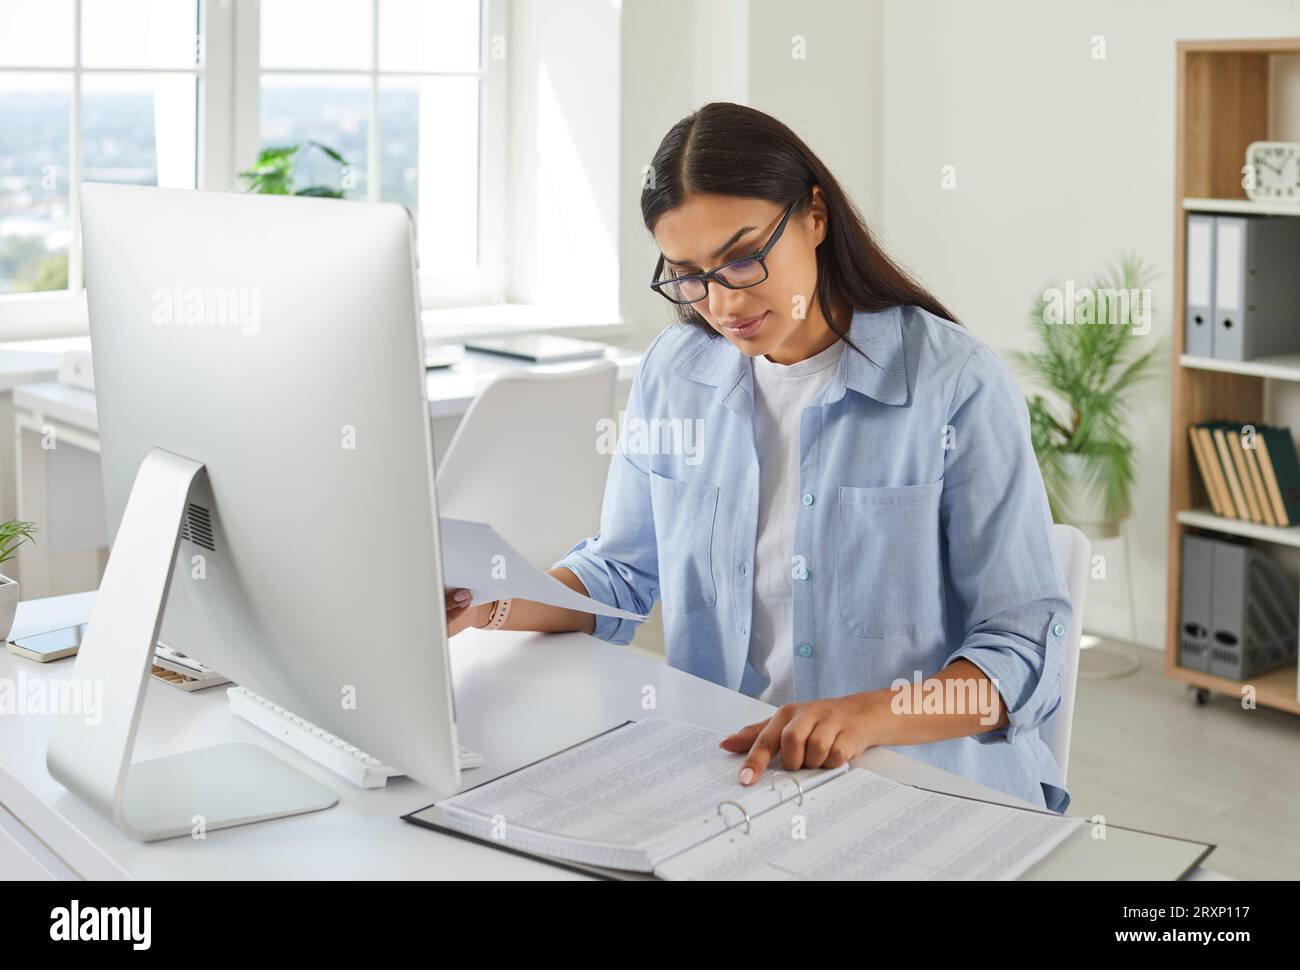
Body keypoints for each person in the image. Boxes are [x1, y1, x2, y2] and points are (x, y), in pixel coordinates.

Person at [444, 102, 1073, 813]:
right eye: (687, 275)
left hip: (926, 788)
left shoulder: (952, 384)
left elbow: (1022, 647)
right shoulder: (676, 373)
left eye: (742, 259)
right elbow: (620, 573)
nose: (720, 301)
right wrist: (484, 604)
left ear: (814, 215)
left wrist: (863, 716)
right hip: (734, 778)